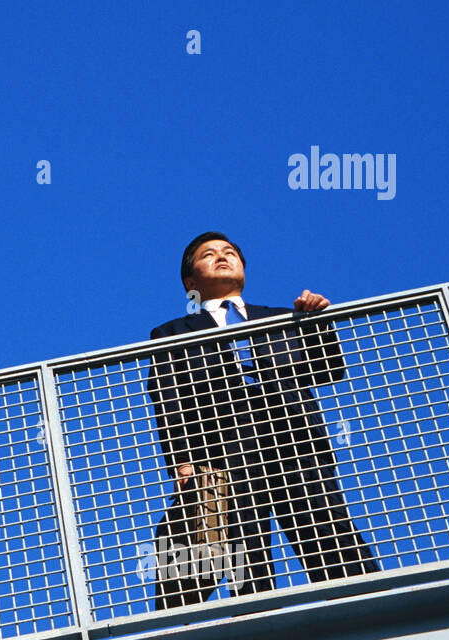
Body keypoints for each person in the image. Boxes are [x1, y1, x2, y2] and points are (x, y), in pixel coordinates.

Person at [145, 231, 380, 610]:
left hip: (295, 440)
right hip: (225, 447)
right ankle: (260, 625)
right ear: (191, 282)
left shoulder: (283, 318)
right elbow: (169, 399)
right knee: (246, 546)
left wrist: (317, 323)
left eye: (230, 253)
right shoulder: (172, 332)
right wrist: (181, 460)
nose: (223, 257)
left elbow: (327, 370)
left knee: (326, 526)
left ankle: (371, 608)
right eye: (209, 255)